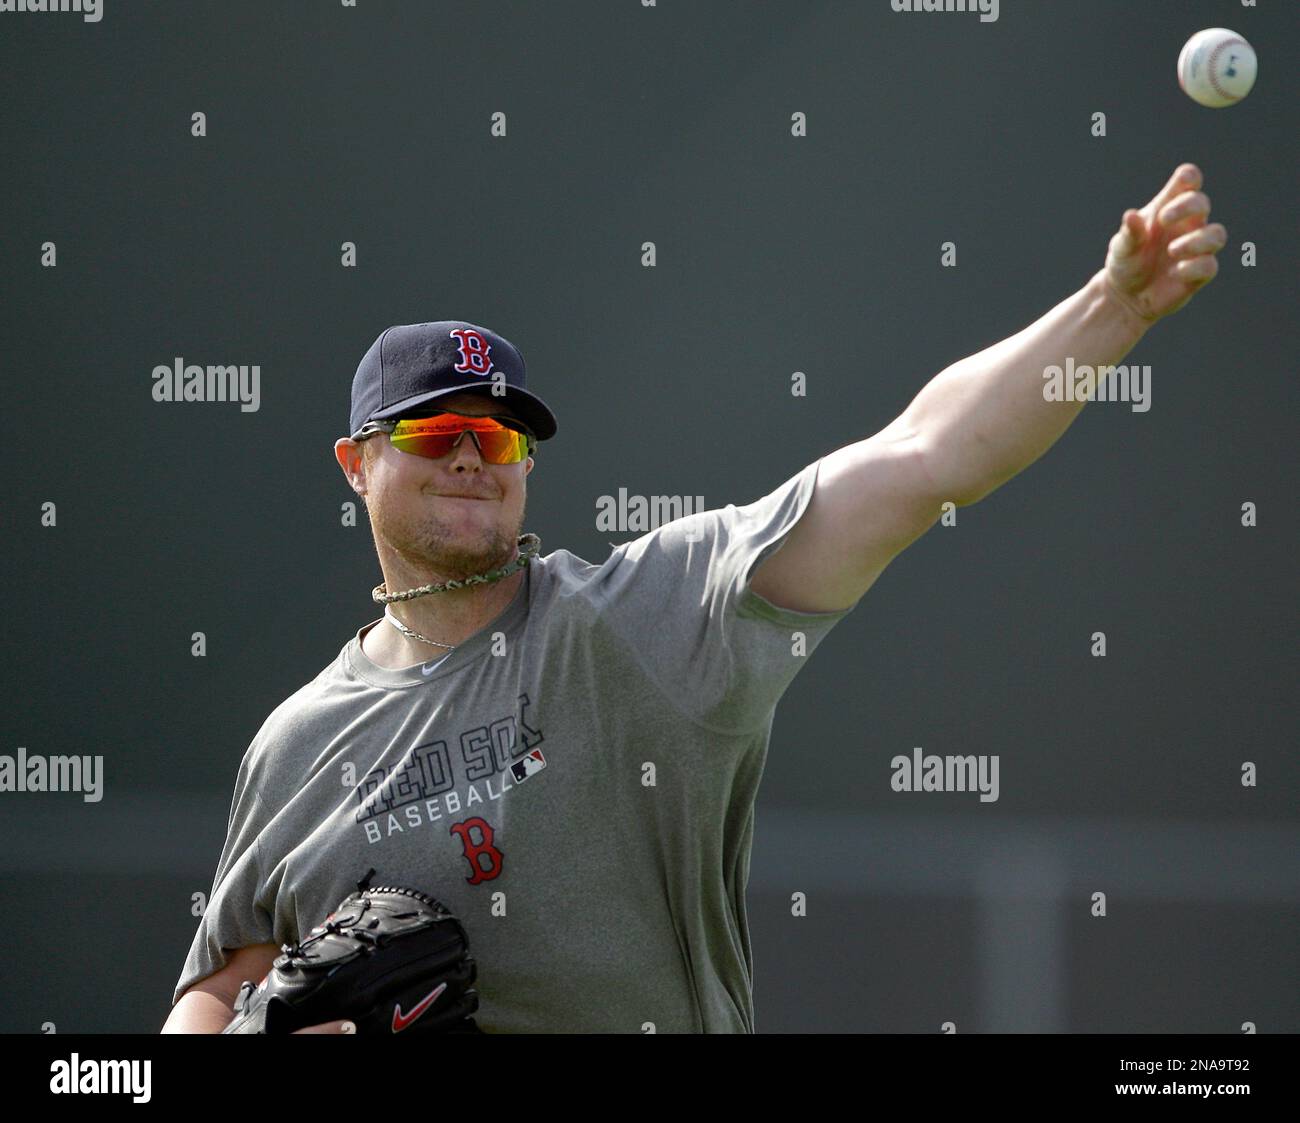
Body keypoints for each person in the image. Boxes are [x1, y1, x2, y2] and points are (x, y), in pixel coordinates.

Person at [163, 164, 1225, 1033]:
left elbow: (918, 460)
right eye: (435, 433)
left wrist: (1111, 307)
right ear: (356, 464)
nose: (472, 458)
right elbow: (216, 988)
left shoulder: (640, 622)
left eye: (498, 437)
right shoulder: (299, 744)